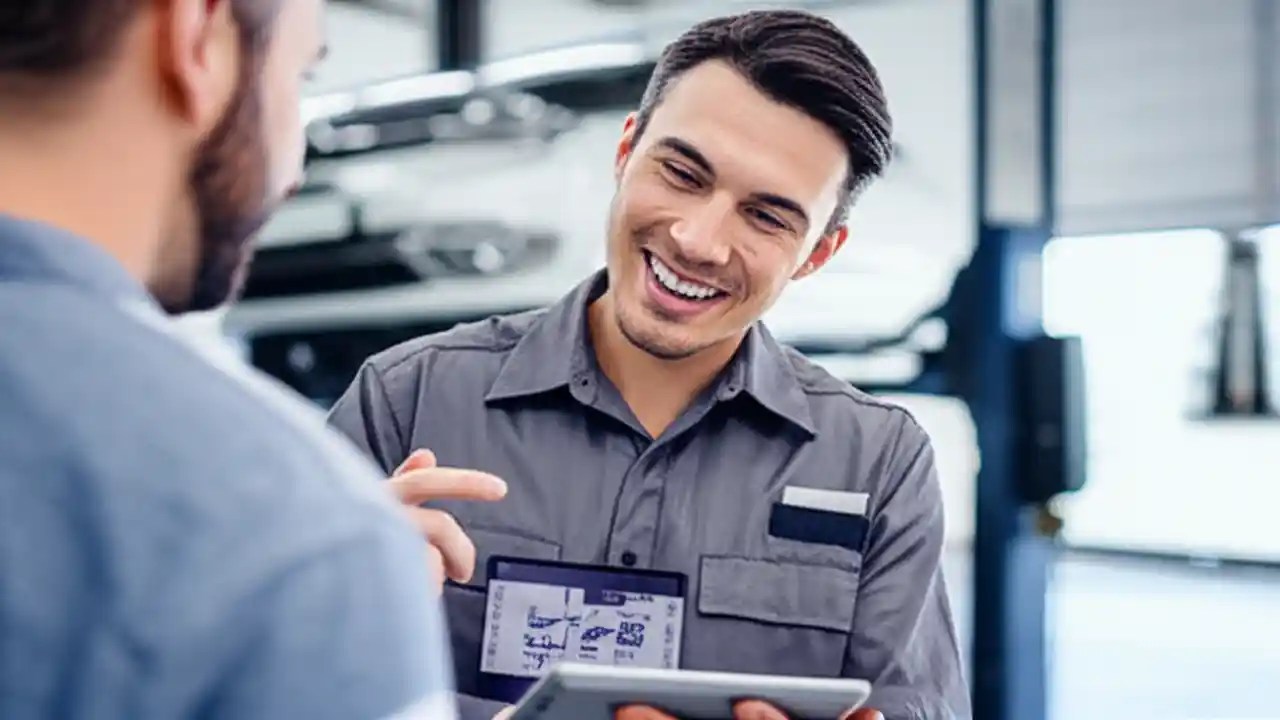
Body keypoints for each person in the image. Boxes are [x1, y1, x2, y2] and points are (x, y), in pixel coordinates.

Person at [329, 9, 970, 720]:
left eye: (767, 217)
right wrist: (321, 603)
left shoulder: (878, 466)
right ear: (626, 150)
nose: (698, 240)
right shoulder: (407, 402)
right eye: (682, 172)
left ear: (818, 253)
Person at [0, 1, 501, 717]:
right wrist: (327, 578)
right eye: (298, 76)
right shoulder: (295, 539)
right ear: (196, 34)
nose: (292, 165)